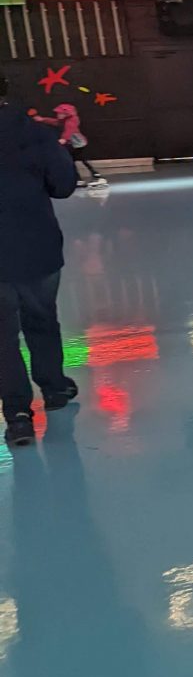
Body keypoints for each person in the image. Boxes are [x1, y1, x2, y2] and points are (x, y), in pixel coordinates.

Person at [0, 71, 79, 447]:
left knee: (1, 337)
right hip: (37, 245)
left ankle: (17, 415)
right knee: (42, 319)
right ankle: (55, 389)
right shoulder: (34, 133)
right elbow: (64, 185)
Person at [33, 101, 106, 189]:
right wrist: (43, 119)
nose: (58, 115)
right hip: (73, 143)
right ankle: (85, 177)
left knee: (78, 160)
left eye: (60, 113)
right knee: (75, 161)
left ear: (66, 114)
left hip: (76, 143)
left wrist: (64, 139)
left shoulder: (71, 121)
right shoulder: (65, 120)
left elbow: (69, 130)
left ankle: (94, 176)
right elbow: (56, 122)